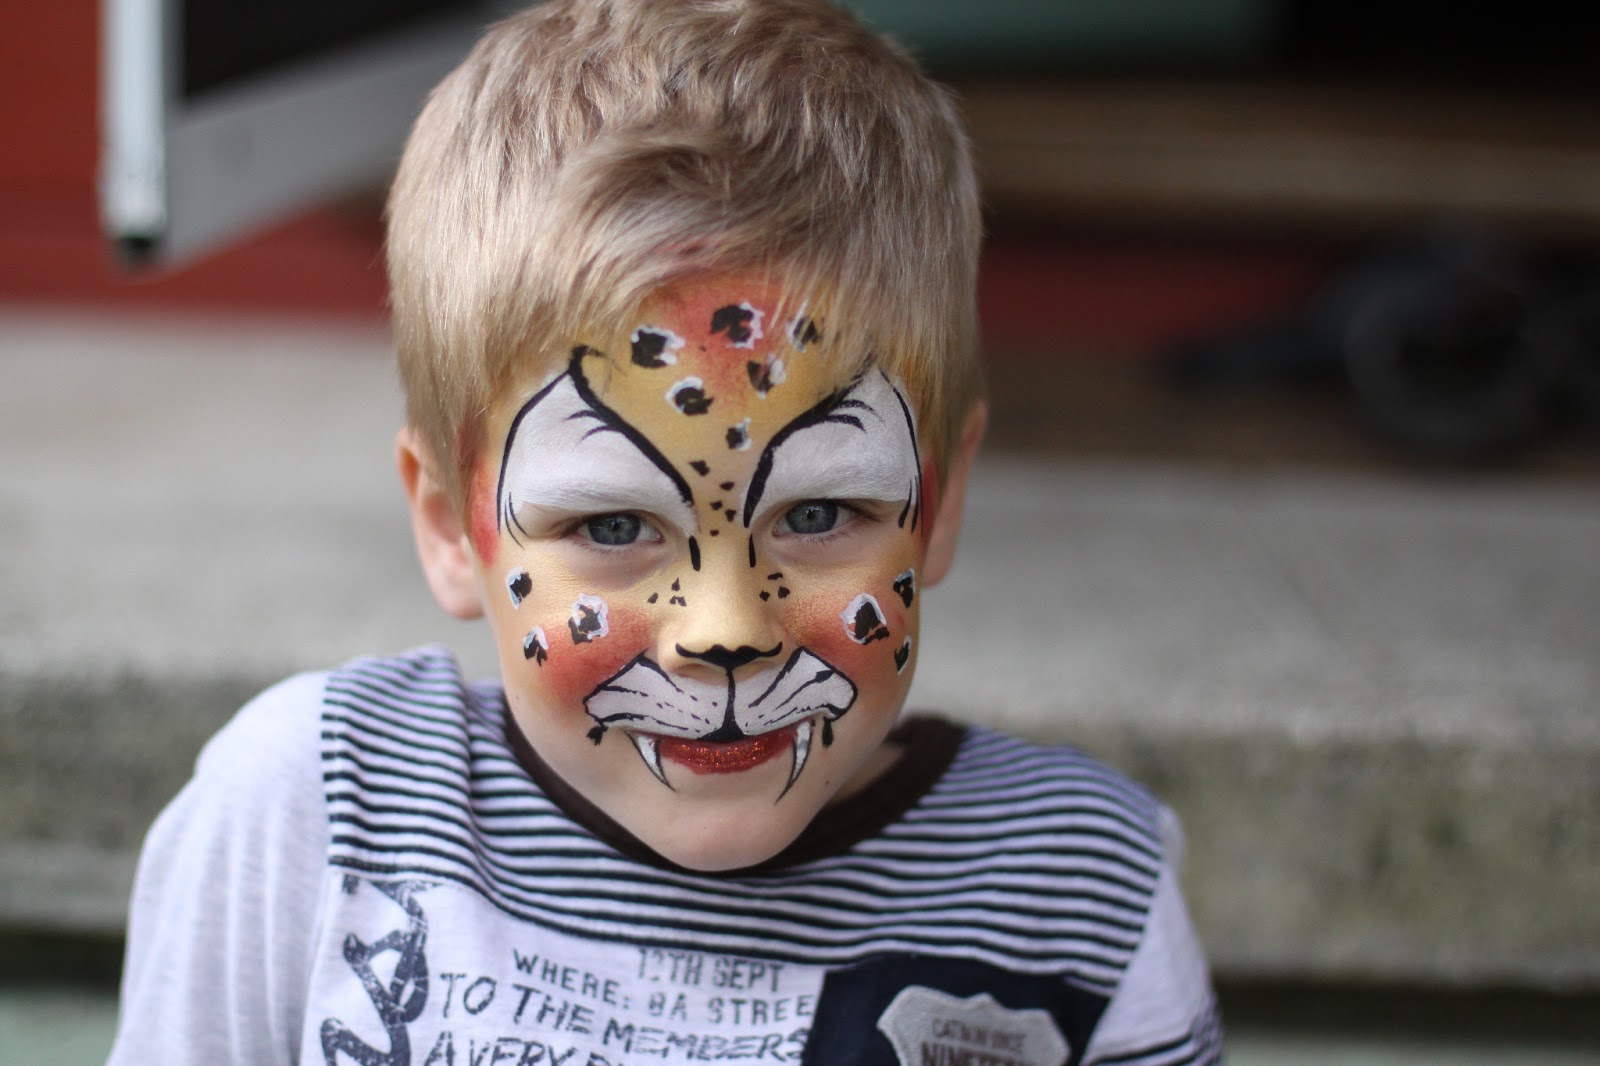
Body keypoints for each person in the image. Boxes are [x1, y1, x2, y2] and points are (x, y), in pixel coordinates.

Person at [108, 1, 1222, 1063]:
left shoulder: (1076, 887)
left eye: (821, 514)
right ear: (452, 524)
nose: (726, 632)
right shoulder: (319, 809)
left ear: (938, 502)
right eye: (610, 523)